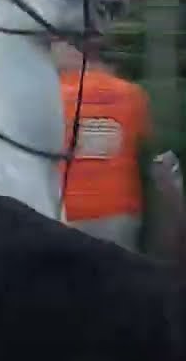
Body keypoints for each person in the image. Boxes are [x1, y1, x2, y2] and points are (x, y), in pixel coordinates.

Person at [54, 39, 152, 252]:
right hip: (119, 210)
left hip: (68, 212)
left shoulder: (54, 94)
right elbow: (141, 140)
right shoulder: (133, 94)